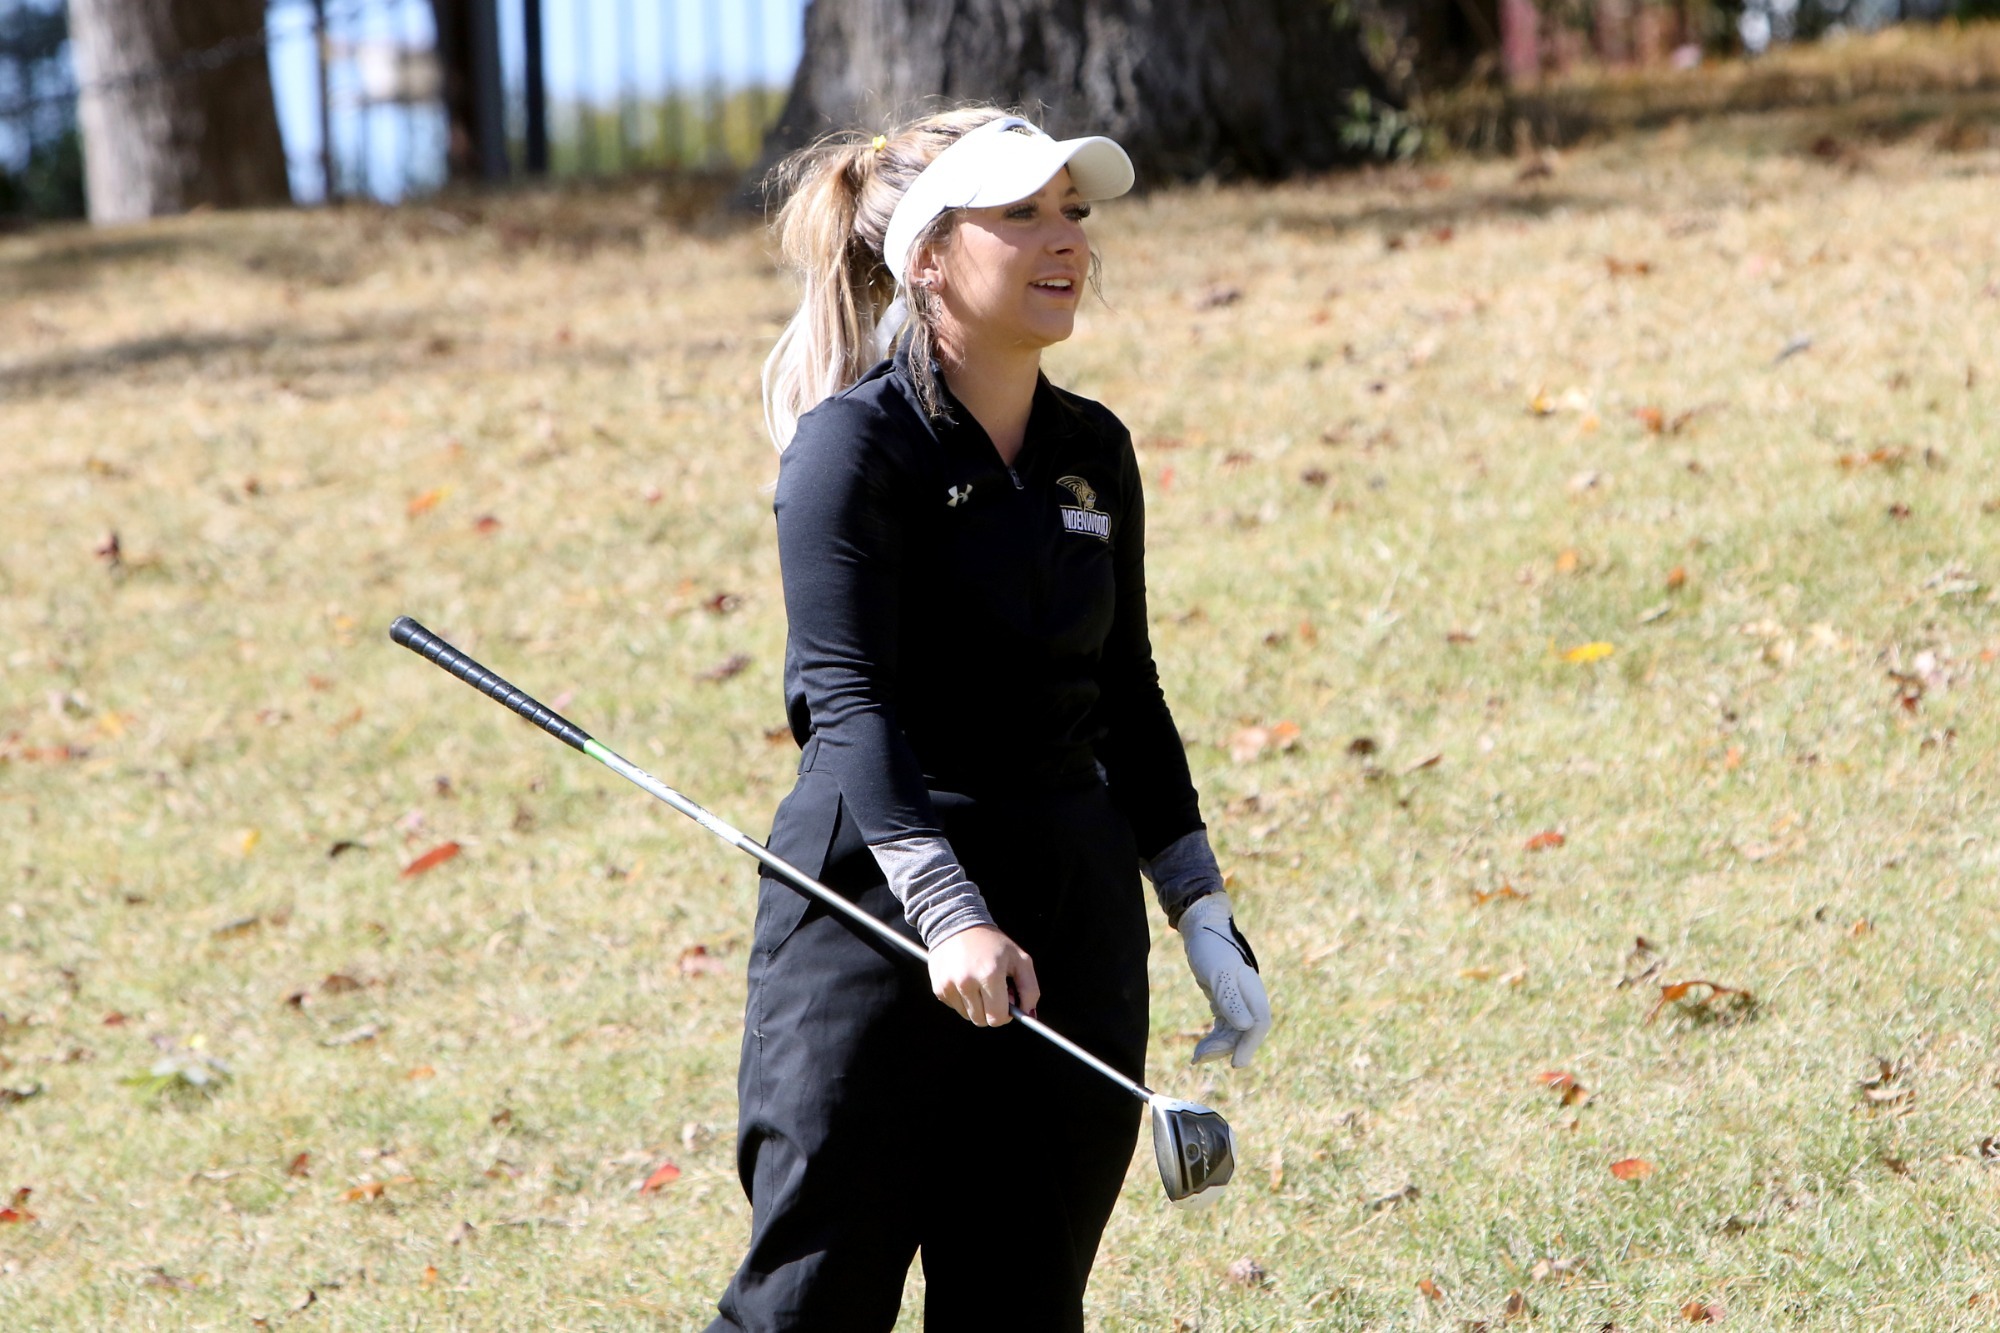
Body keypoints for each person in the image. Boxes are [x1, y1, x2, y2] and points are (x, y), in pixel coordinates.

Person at [707, 107, 1273, 1333]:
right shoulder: (851, 450)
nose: (1063, 236)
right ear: (926, 254)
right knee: (814, 1298)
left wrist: (1199, 905)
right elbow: (843, 701)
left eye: (1071, 210)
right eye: (1019, 212)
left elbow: (1125, 690)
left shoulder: (1090, 449)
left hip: (1070, 906)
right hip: (874, 902)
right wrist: (949, 912)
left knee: (1020, 1301)